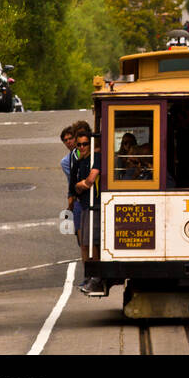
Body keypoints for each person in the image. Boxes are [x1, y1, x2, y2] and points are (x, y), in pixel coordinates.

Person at [69, 130, 105, 295]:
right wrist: (77, 187)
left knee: (93, 241)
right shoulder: (79, 161)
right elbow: (75, 185)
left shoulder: (96, 158)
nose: (82, 147)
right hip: (84, 205)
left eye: (85, 144)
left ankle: (97, 279)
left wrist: (79, 185)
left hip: (94, 204)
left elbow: (90, 180)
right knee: (84, 243)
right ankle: (89, 277)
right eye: (79, 145)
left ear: (91, 144)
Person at [60, 125, 81, 237]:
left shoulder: (86, 152)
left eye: (70, 138)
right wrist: (70, 199)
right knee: (79, 232)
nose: (68, 142)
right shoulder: (65, 161)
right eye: (65, 140)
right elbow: (72, 181)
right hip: (77, 194)